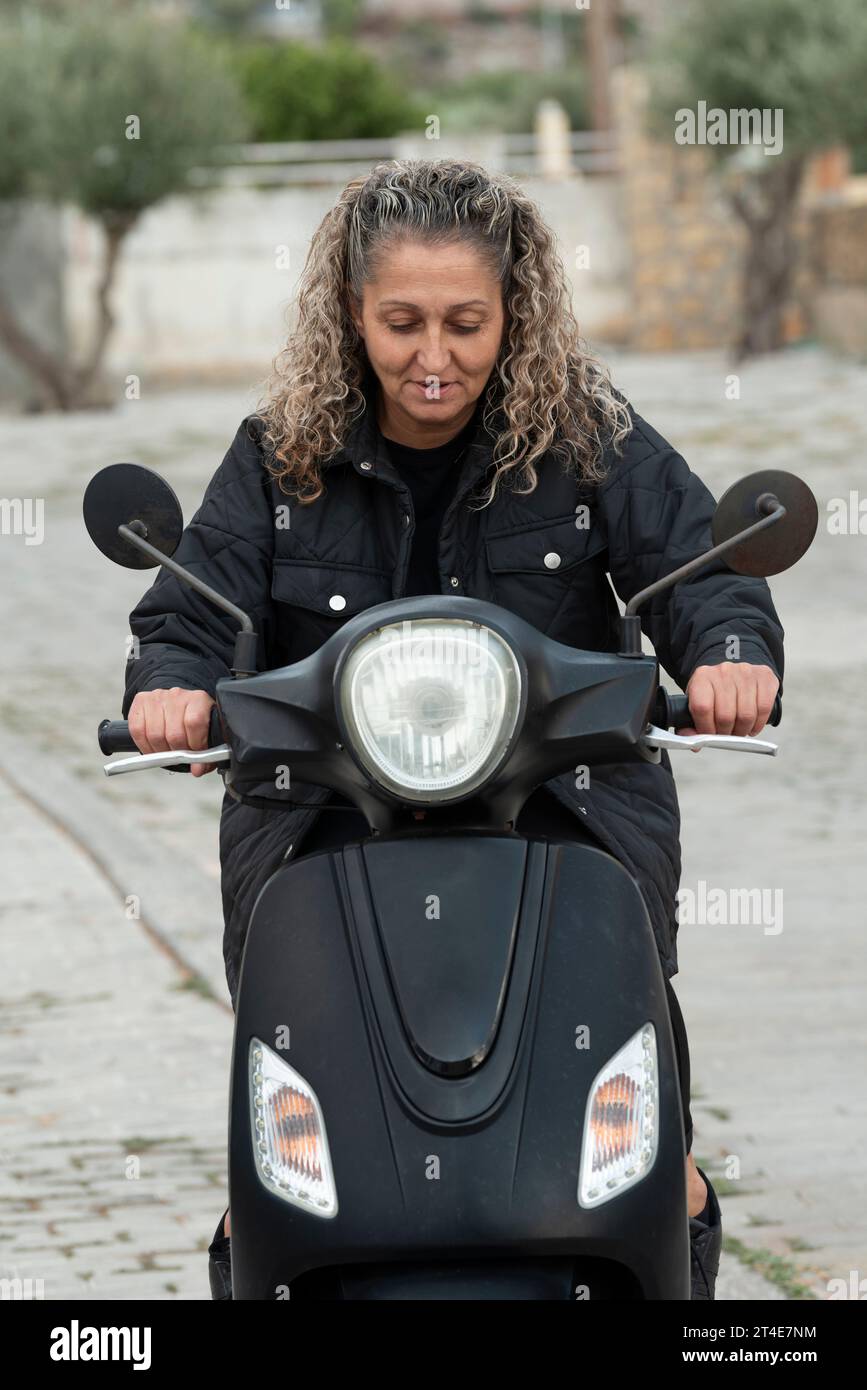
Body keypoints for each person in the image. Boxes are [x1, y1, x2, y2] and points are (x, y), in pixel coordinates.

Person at [122, 159, 783, 1301]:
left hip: (566, 819)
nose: (436, 355)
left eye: (468, 323)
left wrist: (732, 655)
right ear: (351, 314)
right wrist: (168, 687)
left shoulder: (585, 437)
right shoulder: (281, 455)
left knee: (647, 1150)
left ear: (513, 315)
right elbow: (190, 608)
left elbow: (701, 569)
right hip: (324, 824)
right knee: (280, 1158)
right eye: (404, 321)